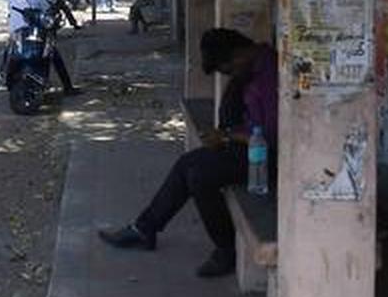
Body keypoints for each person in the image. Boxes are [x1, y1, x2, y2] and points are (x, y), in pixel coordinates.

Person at [97, 28, 278, 278]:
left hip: (265, 157)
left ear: (239, 55)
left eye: (228, 69)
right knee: (187, 164)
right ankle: (144, 228)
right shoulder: (250, 69)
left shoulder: (268, 76)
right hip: (244, 146)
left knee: (200, 176)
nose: (230, 75)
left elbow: (268, 137)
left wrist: (226, 136)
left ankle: (225, 250)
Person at [2, 0, 81, 96]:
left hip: (16, 30)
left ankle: (5, 75)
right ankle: (68, 87)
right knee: (54, 54)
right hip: (34, 30)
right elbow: (47, 9)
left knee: (9, 48)